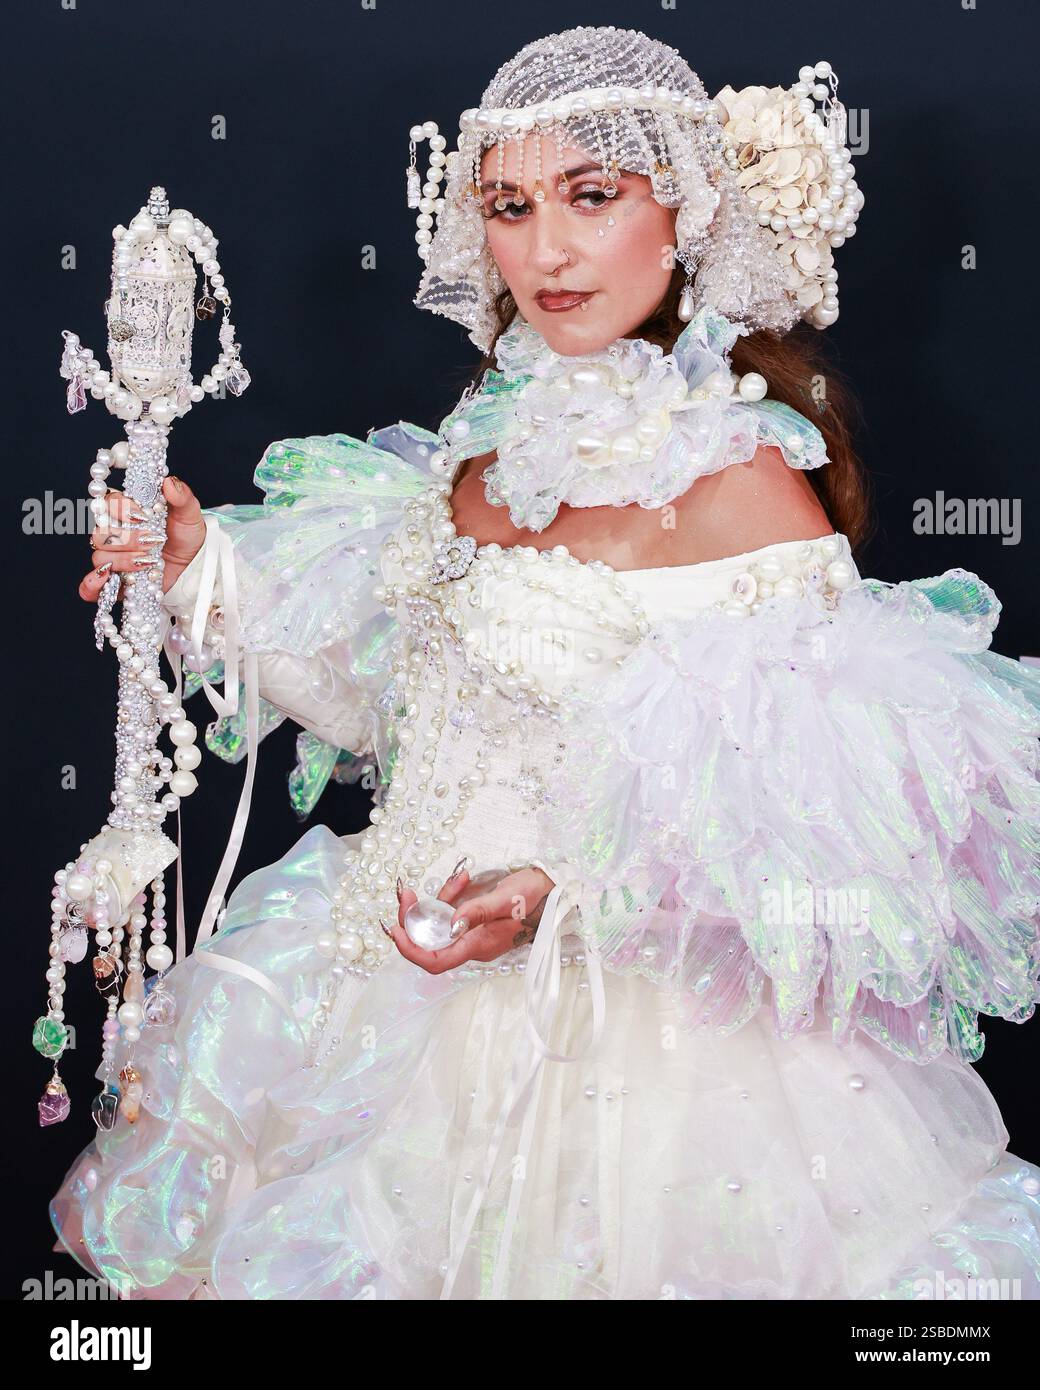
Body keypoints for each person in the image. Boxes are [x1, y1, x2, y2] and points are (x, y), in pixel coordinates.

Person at [50, 25, 1040, 1300]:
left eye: (590, 197)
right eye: (510, 209)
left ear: (679, 209)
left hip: (638, 1071)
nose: (547, 251)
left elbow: (821, 846)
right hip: (376, 1009)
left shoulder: (742, 482)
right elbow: (393, 702)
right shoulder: (482, 446)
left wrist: (563, 897)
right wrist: (198, 567)